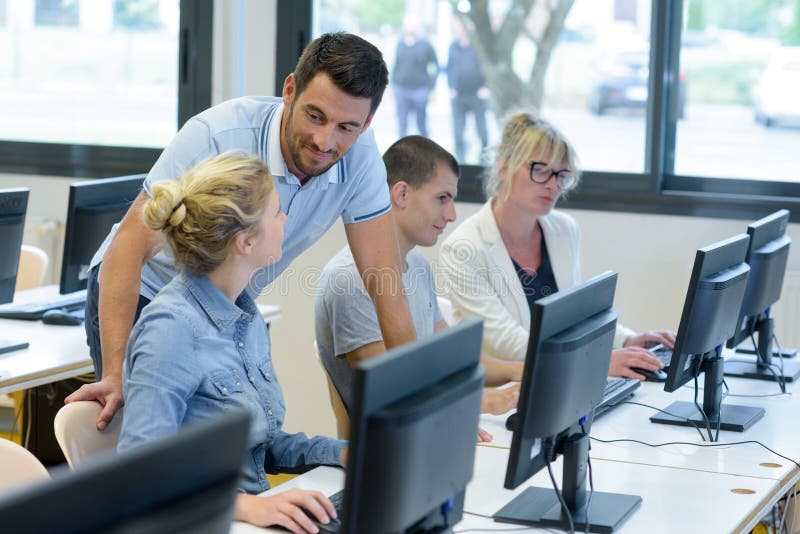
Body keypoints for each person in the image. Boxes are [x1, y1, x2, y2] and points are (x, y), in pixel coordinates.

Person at [66, 32, 417, 430]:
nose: (324, 140)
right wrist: (115, 373)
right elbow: (128, 248)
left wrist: (420, 392)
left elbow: (383, 277)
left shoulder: (361, 158)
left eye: (346, 127)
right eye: (315, 116)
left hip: (225, 305)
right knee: (149, 441)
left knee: (224, 441)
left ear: (367, 123)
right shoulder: (218, 136)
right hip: (146, 293)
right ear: (289, 90)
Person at [118, 152, 344, 532]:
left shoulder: (246, 316)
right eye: (276, 212)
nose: (285, 219)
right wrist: (246, 507)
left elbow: (261, 446)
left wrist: (343, 453)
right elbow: (141, 477)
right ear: (244, 241)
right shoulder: (171, 330)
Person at [315, 136, 522, 441]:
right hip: (387, 450)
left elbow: (446, 357)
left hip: (426, 432)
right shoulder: (350, 278)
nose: (451, 215)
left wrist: (517, 371)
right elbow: (389, 387)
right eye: (442, 198)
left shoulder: (418, 265)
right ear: (401, 193)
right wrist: (483, 401)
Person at [439, 112, 675, 380]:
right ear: (502, 167)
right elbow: (506, 343)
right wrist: (594, 361)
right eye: (540, 170)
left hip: (560, 381)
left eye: (561, 175)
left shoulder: (563, 229)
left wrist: (627, 341)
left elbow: (575, 316)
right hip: (504, 393)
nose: (553, 185)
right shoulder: (463, 249)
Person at [446, 22, 489, 162]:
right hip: (458, 95)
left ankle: (483, 157)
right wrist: (451, 87)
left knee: (481, 130)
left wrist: (485, 87)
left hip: (477, 94)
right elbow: (449, 68)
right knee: (458, 131)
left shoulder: (478, 46)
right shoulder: (453, 47)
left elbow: (486, 67)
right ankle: (460, 160)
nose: (463, 31)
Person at [392, 15, 439, 137]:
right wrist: (392, 86)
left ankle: (427, 151)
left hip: (420, 90)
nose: (412, 28)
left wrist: (432, 88)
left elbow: (436, 67)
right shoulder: (400, 44)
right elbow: (396, 65)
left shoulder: (426, 45)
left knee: (421, 124)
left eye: (414, 26)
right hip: (401, 89)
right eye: (409, 25)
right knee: (402, 125)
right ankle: (400, 153)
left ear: (419, 27)